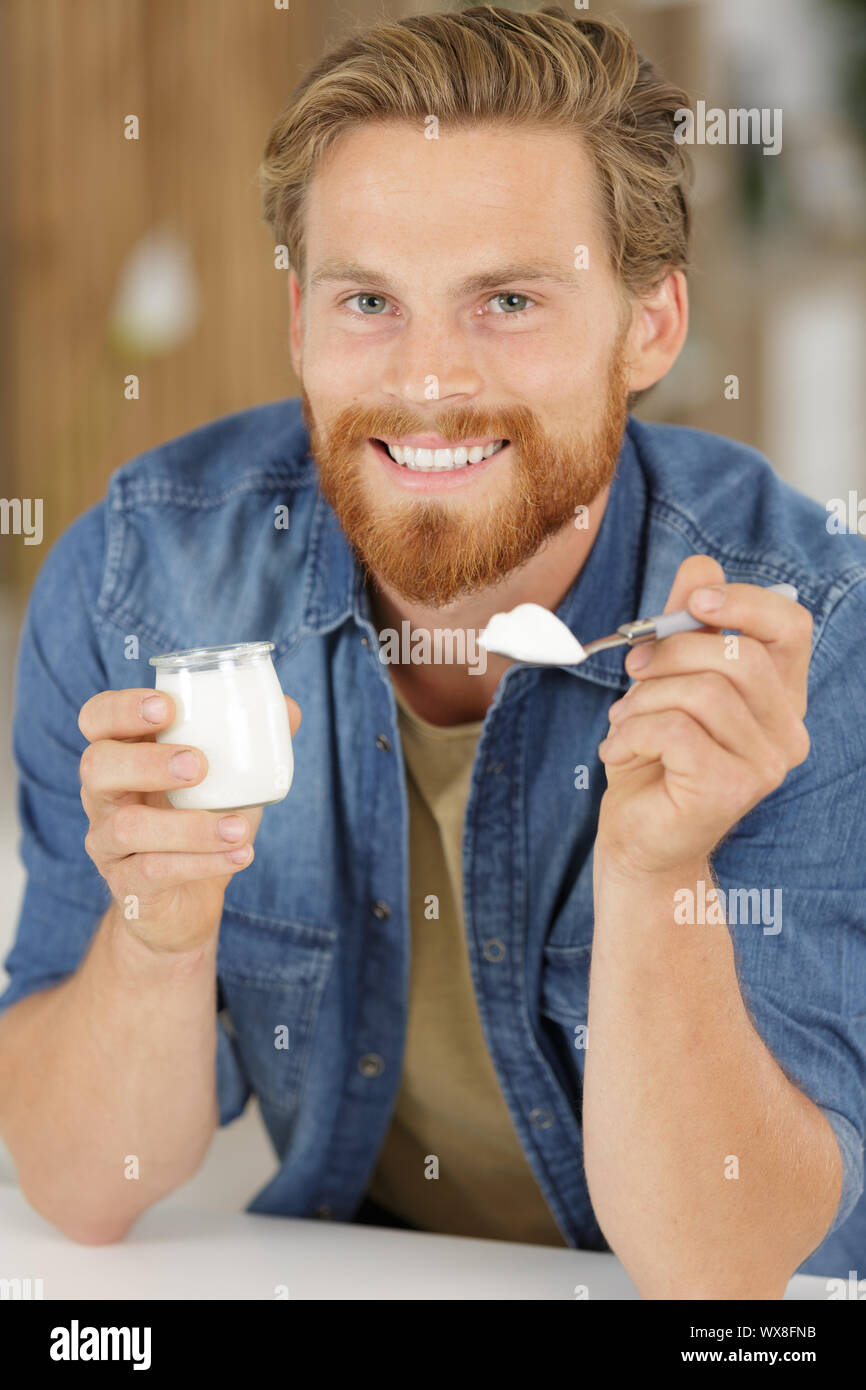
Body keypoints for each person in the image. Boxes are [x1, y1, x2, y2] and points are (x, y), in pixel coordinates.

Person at [1, 6, 864, 1299]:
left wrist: (656, 869)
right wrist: (156, 936)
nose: (427, 381)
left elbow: (728, 1266)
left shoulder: (800, 633)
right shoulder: (147, 583)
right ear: (298, 321)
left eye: (507, 299)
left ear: (649, 325)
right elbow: (82, 1185)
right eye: (368, 302)